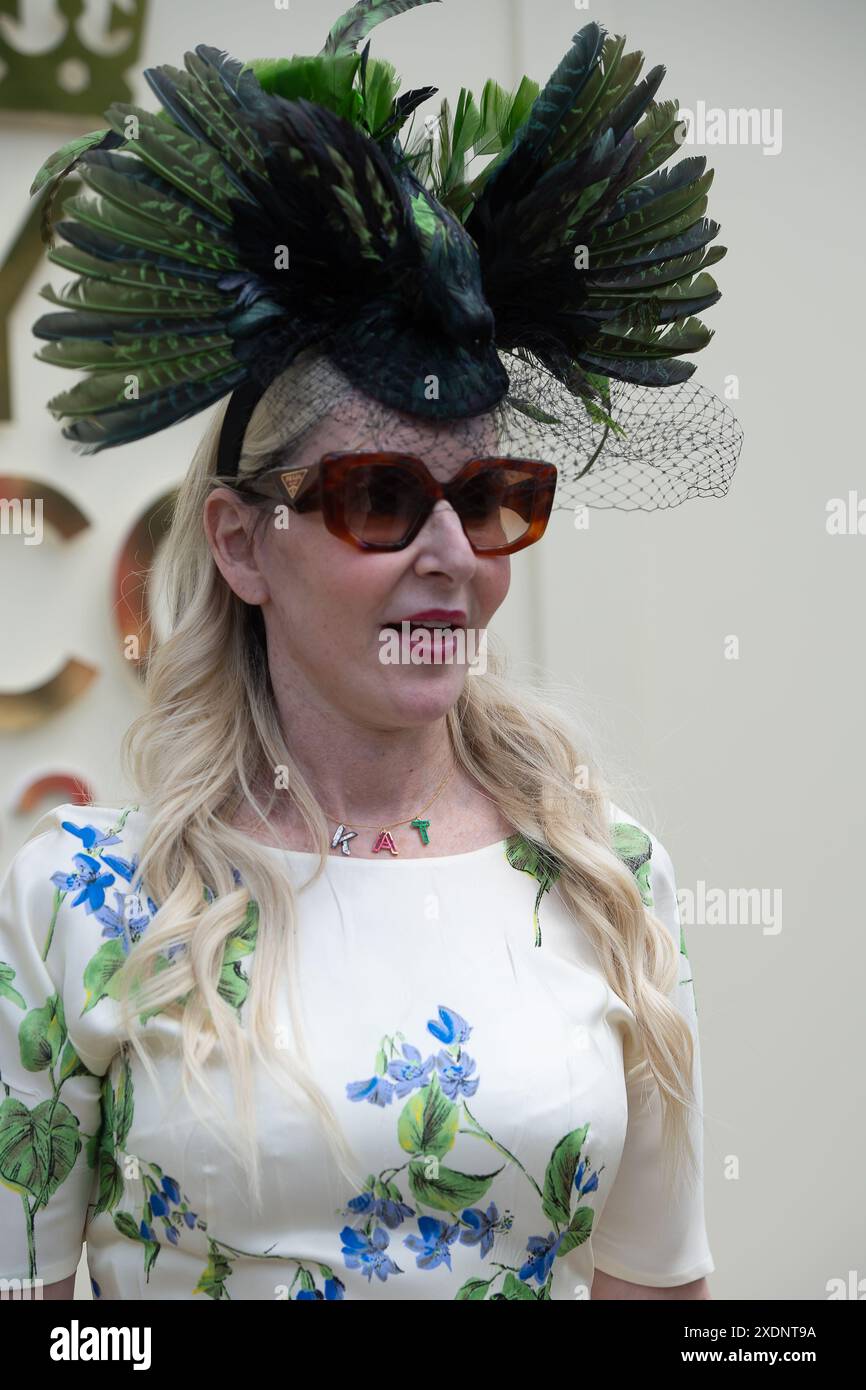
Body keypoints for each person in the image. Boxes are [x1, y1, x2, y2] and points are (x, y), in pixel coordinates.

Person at [1, 1, 742, 1300]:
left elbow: (657, 1293)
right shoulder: (79, 902)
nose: (451, 553)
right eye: (379, 498)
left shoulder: (609, 883)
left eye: (496, 495)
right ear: (241, 542)